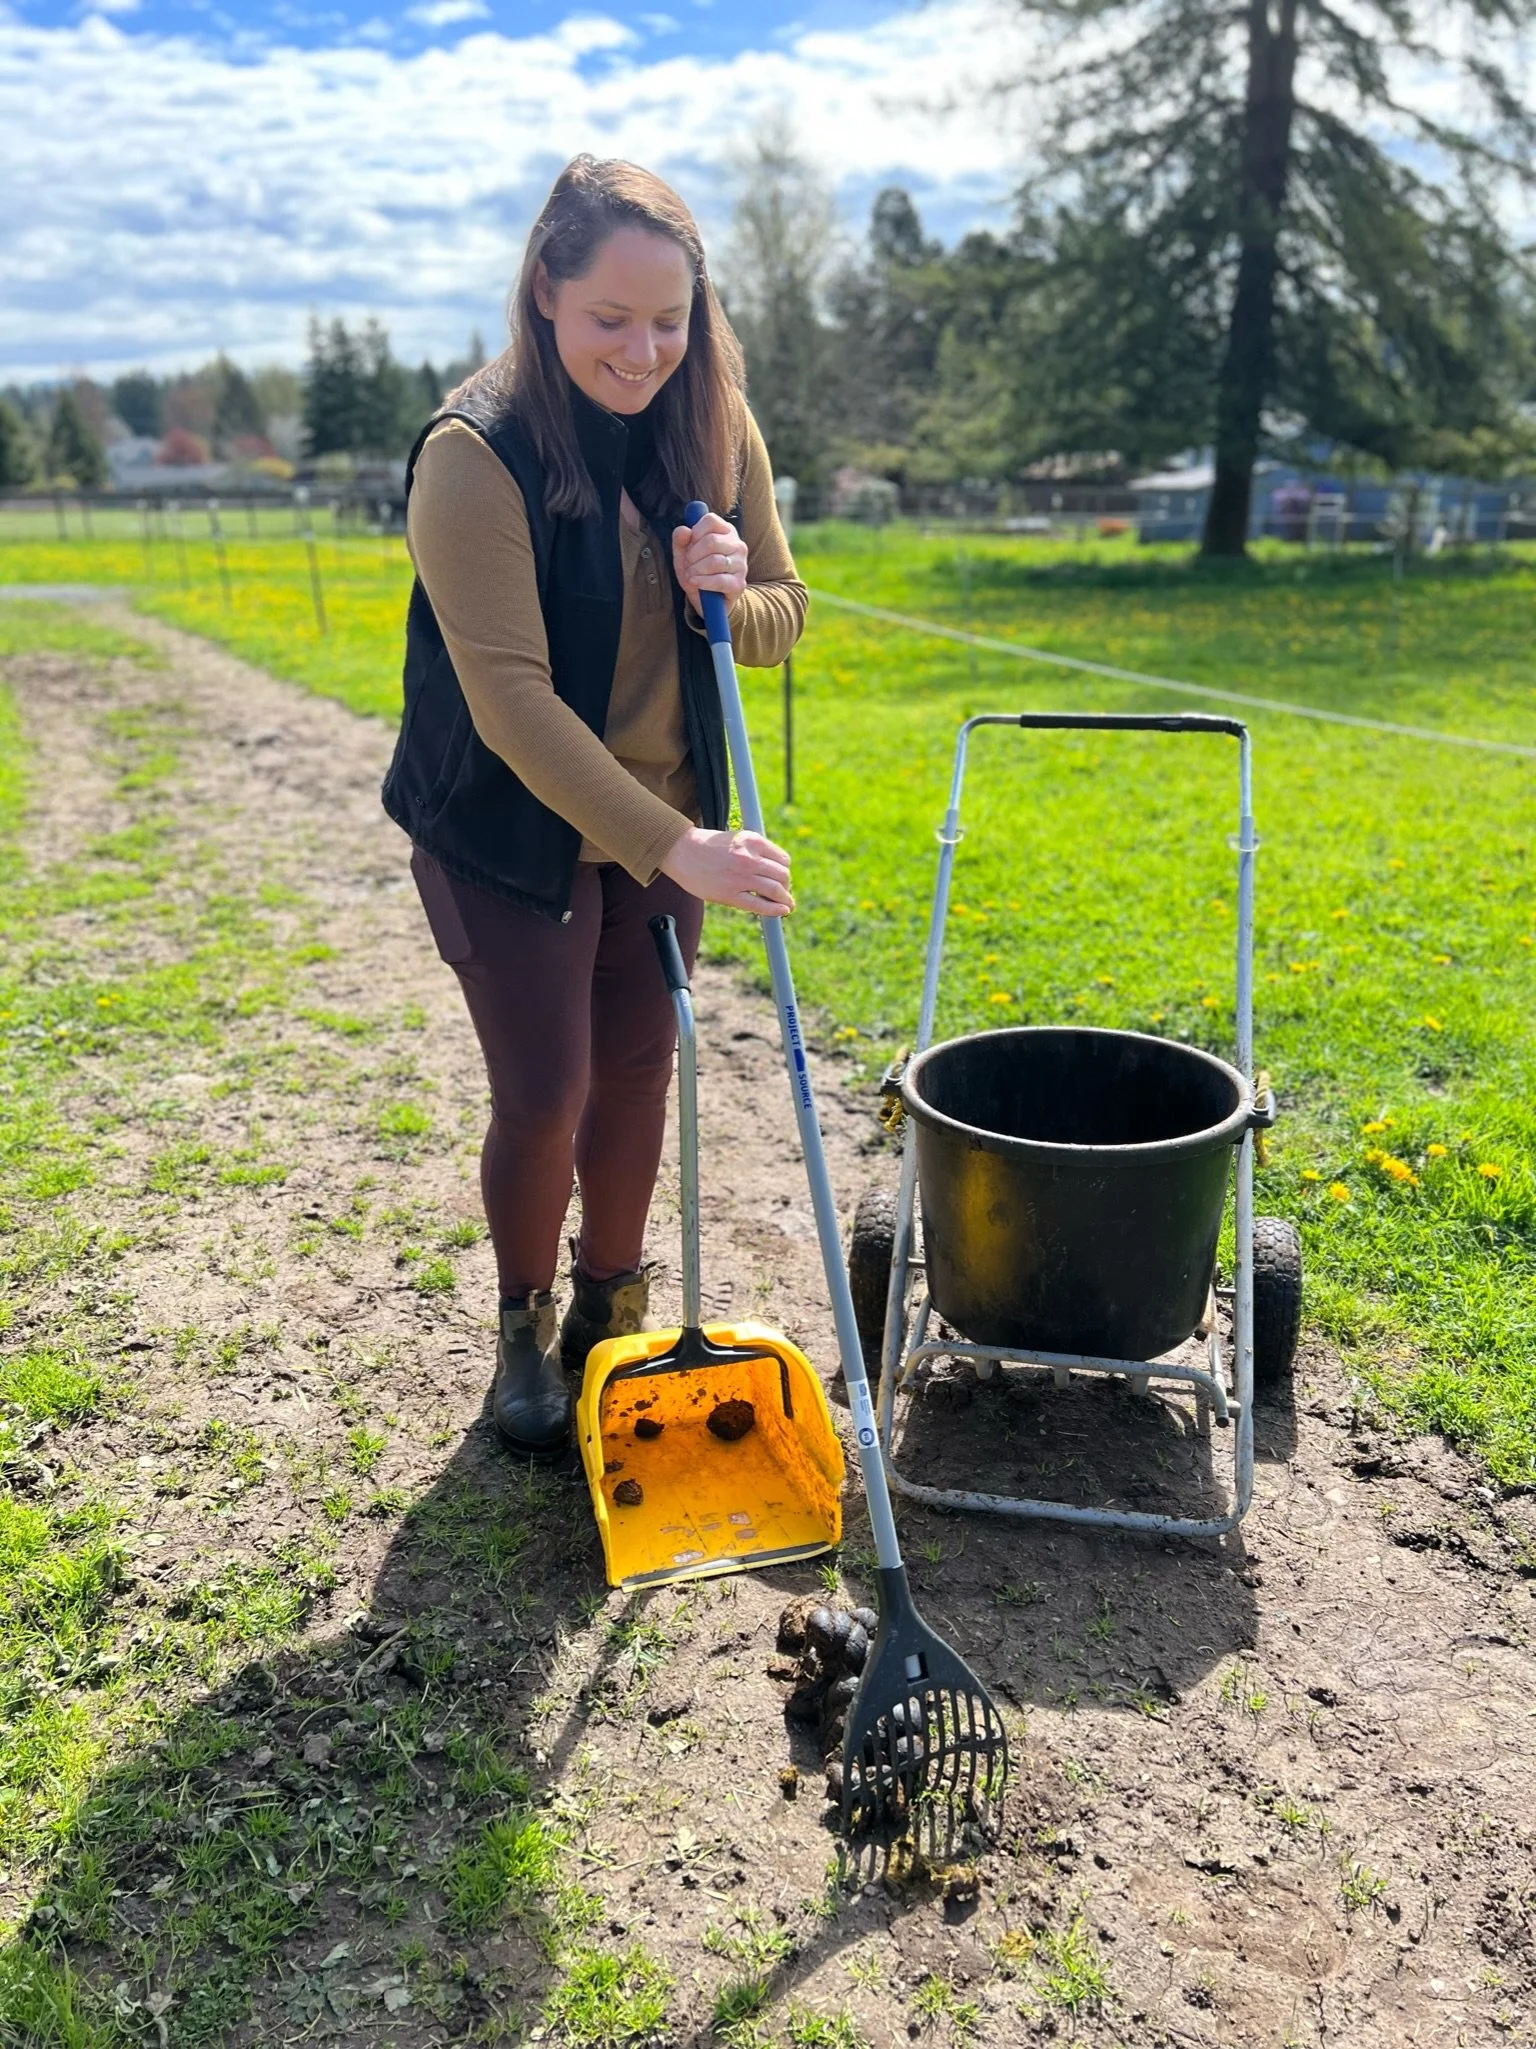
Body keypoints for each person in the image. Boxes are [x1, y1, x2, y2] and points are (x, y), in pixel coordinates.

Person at [383, 155, 805, 1462]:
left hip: (666, 817)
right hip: (511, 827)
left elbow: (782, 619)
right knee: (549, 1089)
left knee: (638, 1070)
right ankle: (521, 1327)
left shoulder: (715, 422)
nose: (643, 351)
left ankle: (609, 1313)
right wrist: (678, 848)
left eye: (670, 320)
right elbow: (511, 702)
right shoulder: (474, 455)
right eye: (610, 319)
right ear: (545, 294)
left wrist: (727, 593)